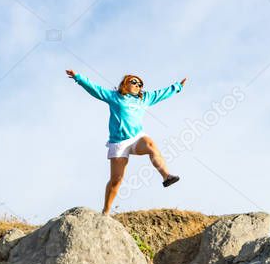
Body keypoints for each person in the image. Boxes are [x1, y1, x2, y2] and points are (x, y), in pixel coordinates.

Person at [66, 69, 187, 215]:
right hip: (119, 143)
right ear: (125, 84)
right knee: (117, 180)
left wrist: (177, 87)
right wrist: (78, 78)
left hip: (137, 139)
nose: (138, 85)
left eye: (140, 84)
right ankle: (106, 211)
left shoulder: (144, 98)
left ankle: (167, 176)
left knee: (151, 145)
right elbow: (95, 89)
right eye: (134, 82)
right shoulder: (114, 97)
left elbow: (161, 93)